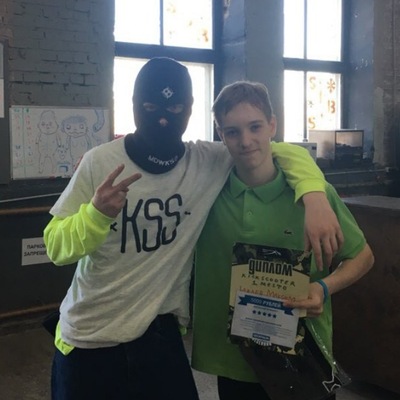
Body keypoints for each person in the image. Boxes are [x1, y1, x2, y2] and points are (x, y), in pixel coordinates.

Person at [44, 58, 343, 400]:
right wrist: (95, 215)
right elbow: (55, 247)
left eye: (174, 109)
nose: (162, 119)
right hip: (90, 335)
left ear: (188, 110)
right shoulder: (100, 162)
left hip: (159, 333)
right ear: (134, 105)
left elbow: (275, 151)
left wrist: (314, 195)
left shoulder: (205, 161)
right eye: (150, 108)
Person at [191, 81, 374, 400]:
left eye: (255, 127)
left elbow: (362, 257)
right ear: (221, 135)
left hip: (303, 360)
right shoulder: (208, 194)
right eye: (232, 132)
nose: (245, 141)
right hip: (235, 361)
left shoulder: (315, 198)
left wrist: (323, 288)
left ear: (272, 125)